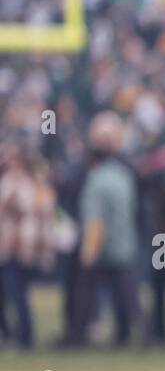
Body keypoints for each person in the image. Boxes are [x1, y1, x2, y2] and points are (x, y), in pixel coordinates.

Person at [69, 114, 142, 348]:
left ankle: (77, 336)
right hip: (123, 243)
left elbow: (94, 218)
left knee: (86, 293)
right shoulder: (125, 175)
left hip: (101, 244)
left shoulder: (96, 179)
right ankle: (140, 335)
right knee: (128, 297)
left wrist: (89, 251)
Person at [0, 143, 56, 350]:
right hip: (22, 248)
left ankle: (22, 336)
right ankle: (18, 334)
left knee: (16, 294)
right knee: (16, 293)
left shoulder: (19, 184)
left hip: (15, 247)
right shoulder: (37, 185)